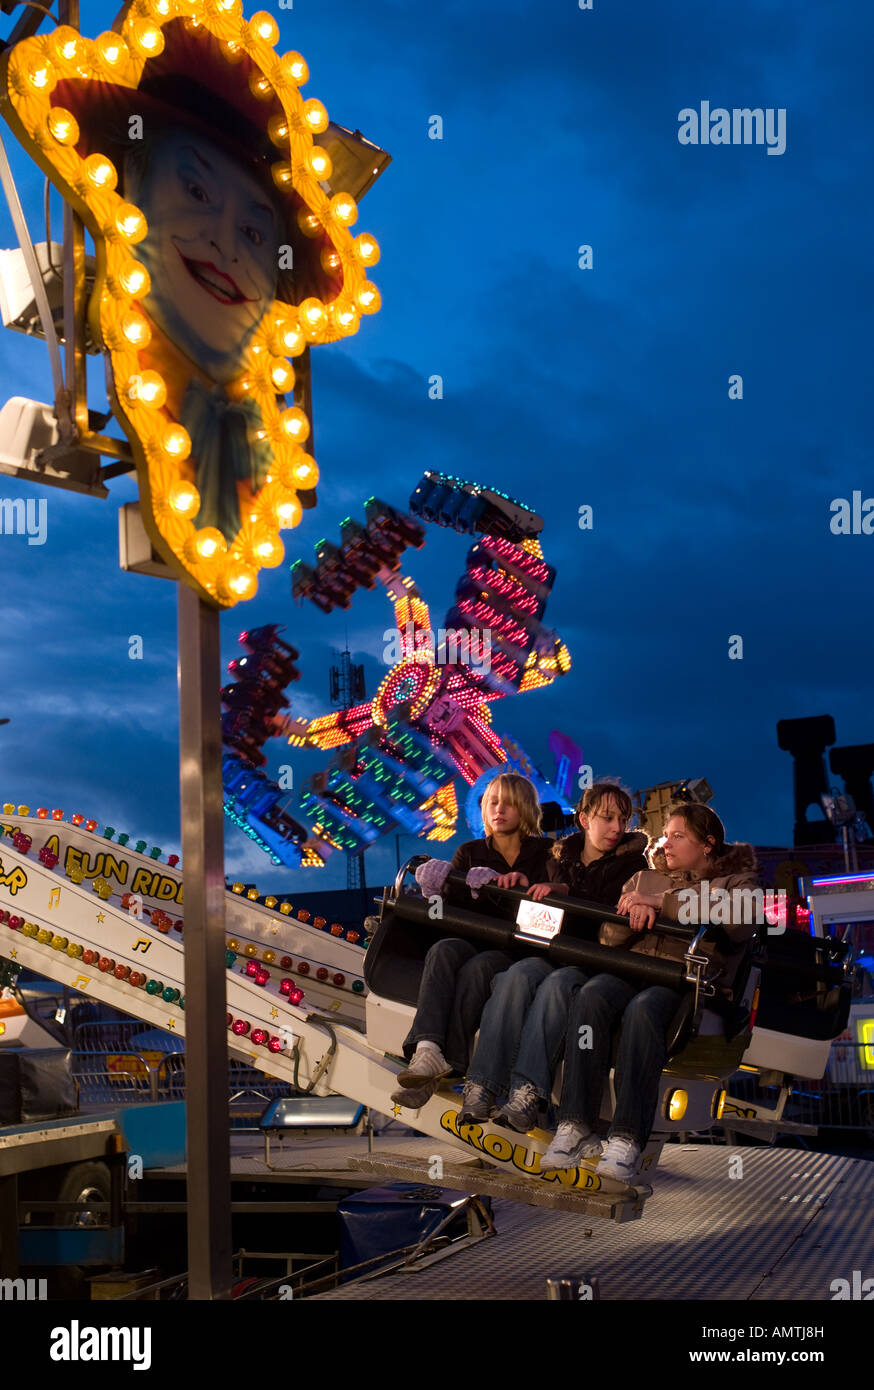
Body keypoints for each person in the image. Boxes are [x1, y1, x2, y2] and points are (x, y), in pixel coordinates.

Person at [543, 803, 760, 1182]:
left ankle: (626, 1137)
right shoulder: (644, 877)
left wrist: (662, 905)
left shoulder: (736, 883)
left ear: (707, 844)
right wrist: (630, 919)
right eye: (666, 836)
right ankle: (575, 1124)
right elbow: (609, 939)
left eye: (679, 836)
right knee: (591, 994)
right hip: (632, 970)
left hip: (683, 985)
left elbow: (743, 915)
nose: (667, 843)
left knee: (644, 1010)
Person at [458, 783, 648, 1127]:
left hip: (591, 961)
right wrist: (520, 881)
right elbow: (538, 899)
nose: (617, 828)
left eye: (623, 819)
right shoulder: (556, 857)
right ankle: (481, 1087)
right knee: (514, 976)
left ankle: (527, 1093)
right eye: (607, 818)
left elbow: (610, 913)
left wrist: (567, 892)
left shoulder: (635, 865)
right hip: (550, 951)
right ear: (584, 819)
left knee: (557, 986)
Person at [391, 773, 550, 1109]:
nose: (499, 809)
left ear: (525, 808)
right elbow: (447, 916)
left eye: (508, 802)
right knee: (443, 950)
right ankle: (427, 1050)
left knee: (479, 968)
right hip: (474, 940)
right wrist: (435, 888)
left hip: (518, 950)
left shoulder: (545, 853)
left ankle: (443, 1070)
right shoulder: (469, 852)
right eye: (492, 802)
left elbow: (549, 910)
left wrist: (509, 890)